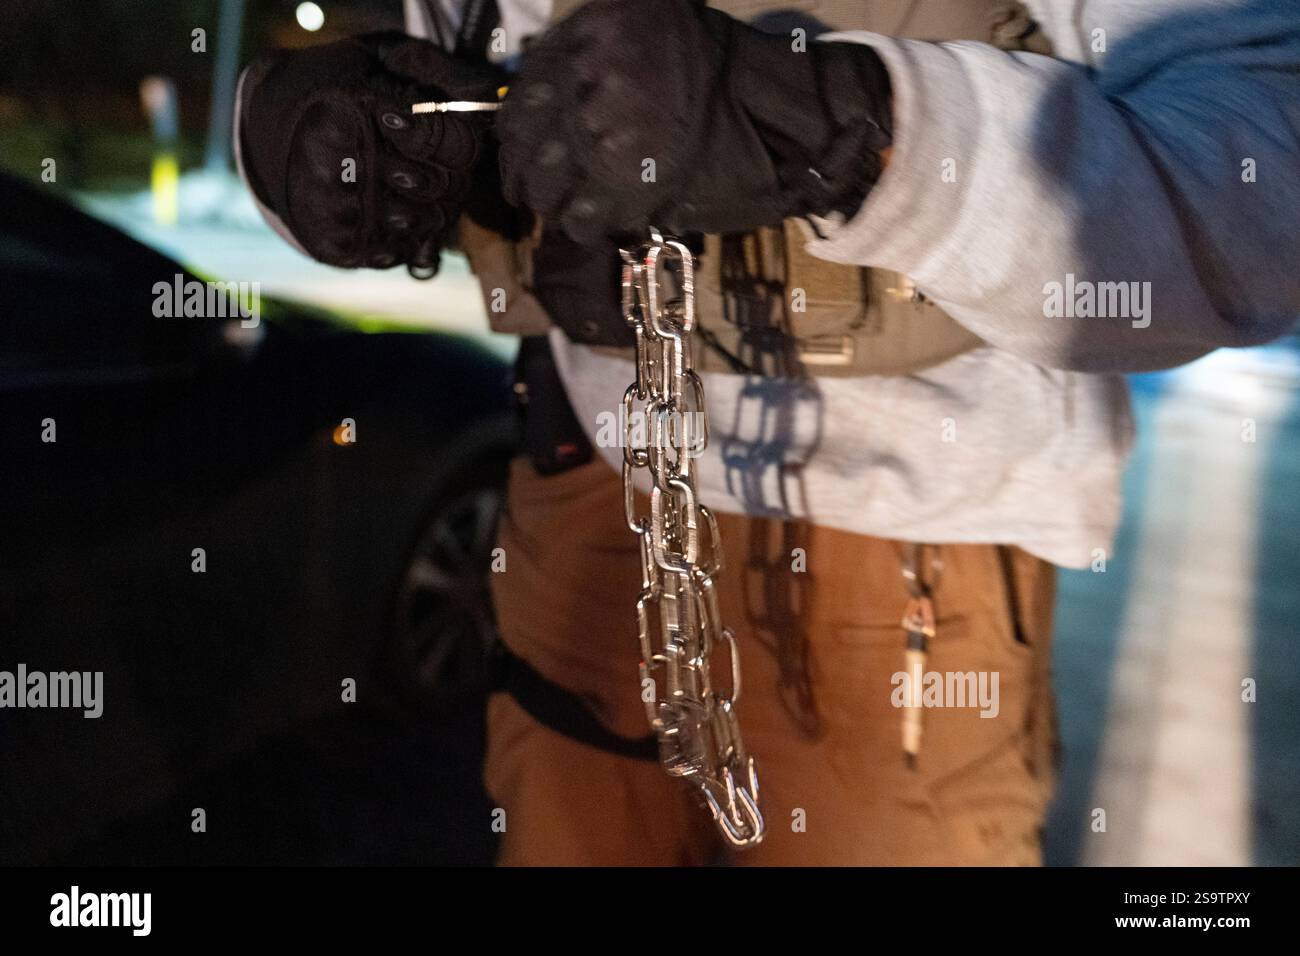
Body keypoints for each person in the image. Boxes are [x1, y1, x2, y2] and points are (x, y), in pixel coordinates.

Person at [235, 0, 1300, 865]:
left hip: (912, 550)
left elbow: (1263, 171)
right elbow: (442, 50)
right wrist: (298, 137)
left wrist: (840, 125)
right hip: (587, 503)